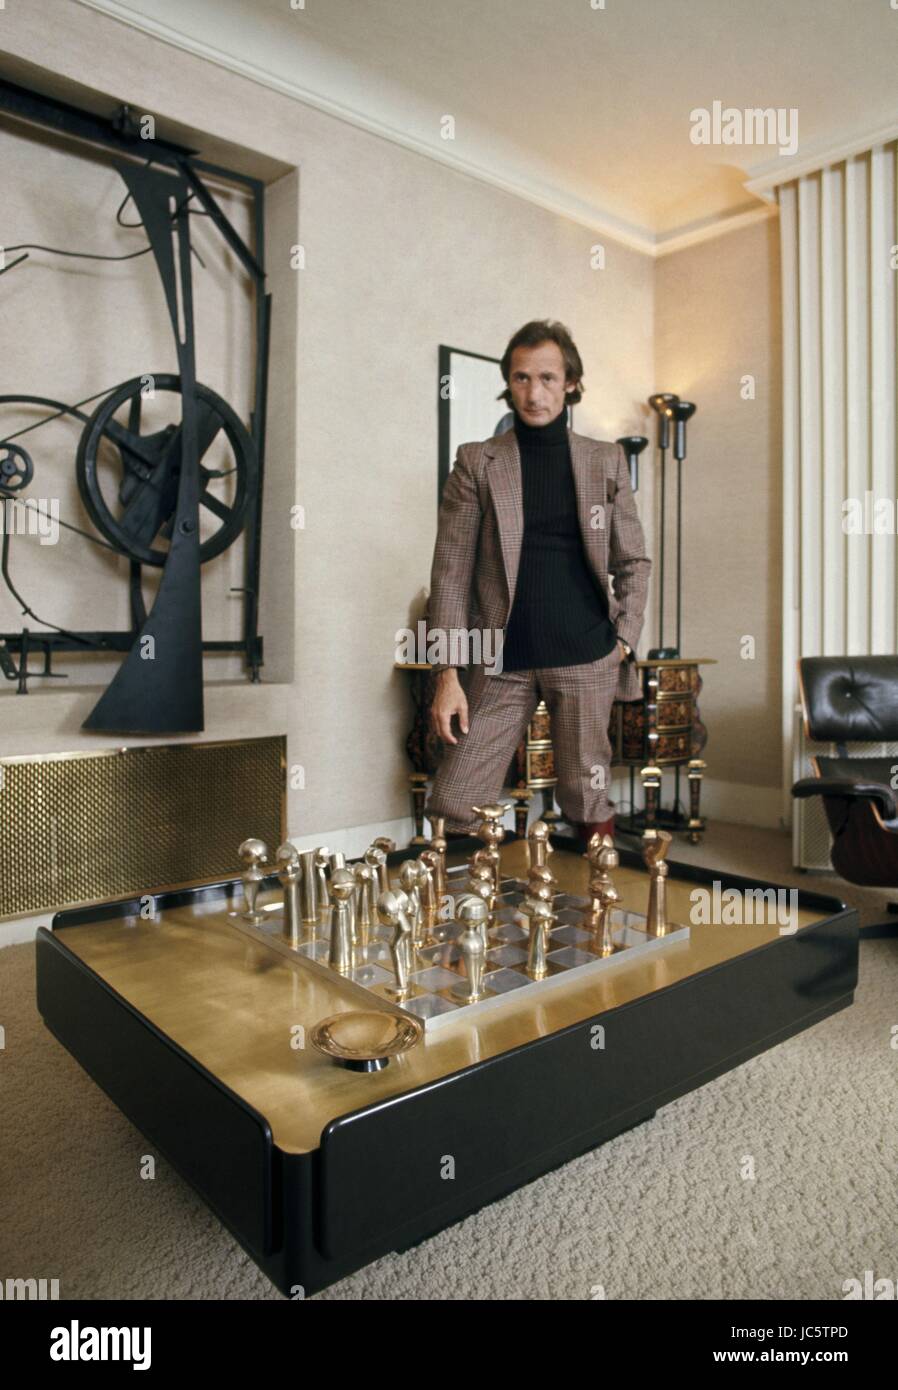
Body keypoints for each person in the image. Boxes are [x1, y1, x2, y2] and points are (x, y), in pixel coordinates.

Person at [424, 318, 651, 846]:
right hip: (501, 658)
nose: (534, 392)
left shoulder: (605, 460)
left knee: (585, 796)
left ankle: (592, 911)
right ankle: (470, 916)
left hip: (585, 653)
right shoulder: (477, 462)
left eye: (548, 378)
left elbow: (633, 561)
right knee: (455, 799)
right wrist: (447, 673)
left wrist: (622, 641)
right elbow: (451, 571)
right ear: (509, 382)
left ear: (571, 382)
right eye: (522, 378)